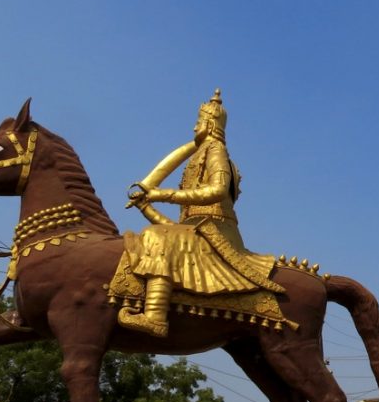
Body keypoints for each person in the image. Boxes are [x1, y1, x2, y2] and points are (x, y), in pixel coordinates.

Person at [119, 89, 281, 336]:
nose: (195, 128)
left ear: (209, 124)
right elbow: (175, 228)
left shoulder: (216, 150)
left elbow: (217, 190)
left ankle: (155, 317)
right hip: (198, 229)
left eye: (198, 122)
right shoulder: (199, 154)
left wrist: (161, 194)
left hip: (217, 228)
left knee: (156, 237)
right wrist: (145, 206)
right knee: (156, 234)